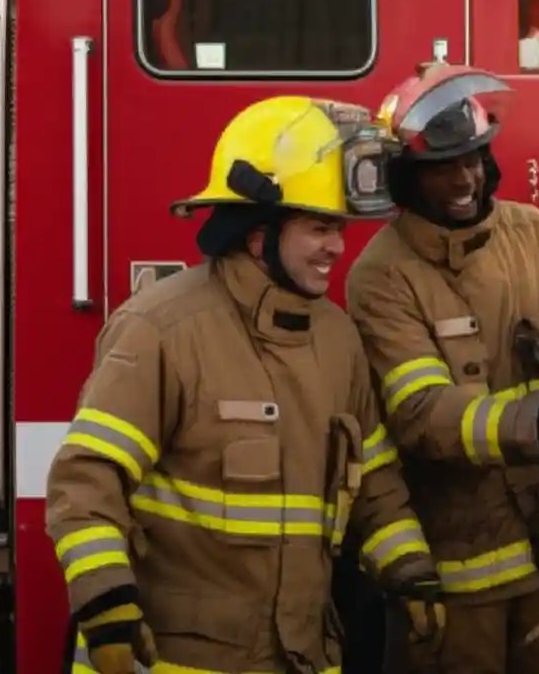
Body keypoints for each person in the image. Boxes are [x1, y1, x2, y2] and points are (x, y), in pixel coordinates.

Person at [45, 95, 439, 674]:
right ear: (258, 234)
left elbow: (374, 479)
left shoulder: (337, 340)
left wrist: (409, 570)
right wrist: (106, 605)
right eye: (319, 227)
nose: (338, 245)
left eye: (340, 228)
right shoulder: (161, 330)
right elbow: (86, 481)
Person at [344, 62, 539, 674]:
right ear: (408, 180)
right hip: (459, 567)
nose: (465, 178)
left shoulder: (533, 235)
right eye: (443, 167)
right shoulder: (381, 275)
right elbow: (422, 415)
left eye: (473, 158)